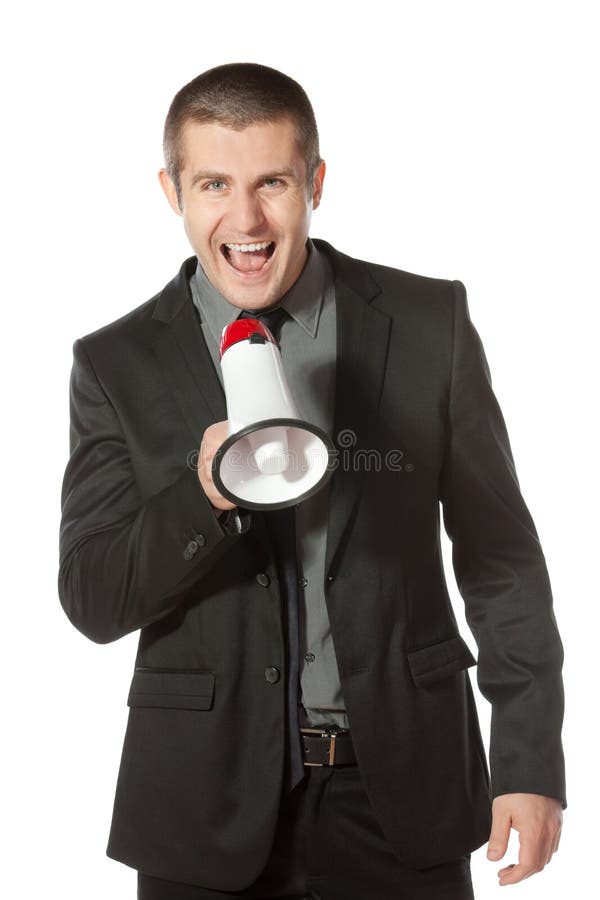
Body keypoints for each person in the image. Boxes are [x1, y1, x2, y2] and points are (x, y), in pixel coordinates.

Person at [58, 63, 566, 899]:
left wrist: (529, 760)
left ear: (316, 184)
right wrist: (205, 495)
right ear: (172, 191)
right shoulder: (114, 362)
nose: (246, 220)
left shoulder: (429, 323)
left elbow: (501, 560)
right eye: (214, 184)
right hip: (200, 808)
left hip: (403, 797)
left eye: (273, 183)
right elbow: (92, 596)